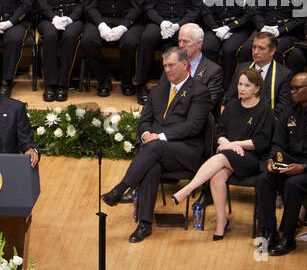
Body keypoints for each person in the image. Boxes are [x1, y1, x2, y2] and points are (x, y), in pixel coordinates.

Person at [101, 47, 211, 243]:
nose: (167, 70)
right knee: (152, 165)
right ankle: (145, 224)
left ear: (185, 64)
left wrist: (159, 136)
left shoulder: (199, 91)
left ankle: (122, 188)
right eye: (165, 66)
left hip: (186, 152)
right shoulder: (158, 90)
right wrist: (145, 134)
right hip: (157, 152)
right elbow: (145, 120)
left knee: (154, 147)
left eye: (171, 65)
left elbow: (193, 126)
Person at [171, 67, 273, 238]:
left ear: (257, 88)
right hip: (229, 154)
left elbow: (261, 142)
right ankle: (221, 220)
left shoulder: (265, 110)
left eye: (247, 85)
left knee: (221, 156)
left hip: (252, 158)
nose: (241, 88)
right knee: (217, 176)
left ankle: (188, 189)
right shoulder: (232, 105)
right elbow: (219, 133)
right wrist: (227, 143)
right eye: (240, 84)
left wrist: (232, 145)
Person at [254, 72, 307, 254]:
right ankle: (269, 232)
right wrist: (274, 159)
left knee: (293, 184)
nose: (292, 92)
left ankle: (288, 236)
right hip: (289, 164)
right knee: (263, 180)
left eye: (297, 88)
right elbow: (277, 143)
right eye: (291, 88)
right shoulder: (288, 112)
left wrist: (304, 166)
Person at [136, 0, 203, 102]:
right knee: (146, 38)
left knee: (188, 41)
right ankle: (141, 85)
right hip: (159, 21)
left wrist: (178, 25)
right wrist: (161, 22)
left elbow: (196, 8)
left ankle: (184, 87)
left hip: (182, 22)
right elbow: (148, 6)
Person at [34, 0, 85, 101]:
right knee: (49, 35)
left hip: (73, 17)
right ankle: (50, 84)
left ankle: (62, 84)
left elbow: (85, 1)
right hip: (49, 16)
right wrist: (53, 17)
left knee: (70, 36)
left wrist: (71, 19)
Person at [201, 0, 257, 89]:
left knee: (229, 50)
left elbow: (248, 14)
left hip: (237, 29)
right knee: (208, 47)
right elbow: (206, 11)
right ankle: (207, 86)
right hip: (216, 27)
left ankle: (227, 88)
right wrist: (215, 28)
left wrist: (229, 28)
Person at [227, 31, 292, 114]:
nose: (256, 52)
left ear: (272, 51)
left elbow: (283, 107)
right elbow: (230, 97)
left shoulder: (284, 74)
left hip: (268, 120)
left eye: (261, 48)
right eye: (254, 47)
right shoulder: (241, 68)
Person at [177, 22, 223, 110]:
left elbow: (207, 105)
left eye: (185, 41)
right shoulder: (173, 64)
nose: (181, 45)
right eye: (179, 41)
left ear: (199, 43)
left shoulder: (213, 71)